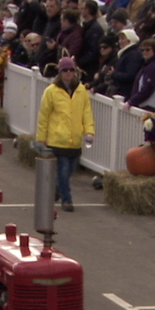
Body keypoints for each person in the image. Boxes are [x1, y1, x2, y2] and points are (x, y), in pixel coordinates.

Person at [36, 57, 96, 212]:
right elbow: (44, 116)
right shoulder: (51, 91)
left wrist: (89, 131)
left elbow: (86, 113)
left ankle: (56, 188)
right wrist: (41, 138)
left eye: (71, 70)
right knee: (63, 170)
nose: (69, 73)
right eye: (65, 70)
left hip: (75, 139)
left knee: (70, 170)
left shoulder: (81, 90)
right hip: (57, 138)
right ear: (60, 72)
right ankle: (67, 199)